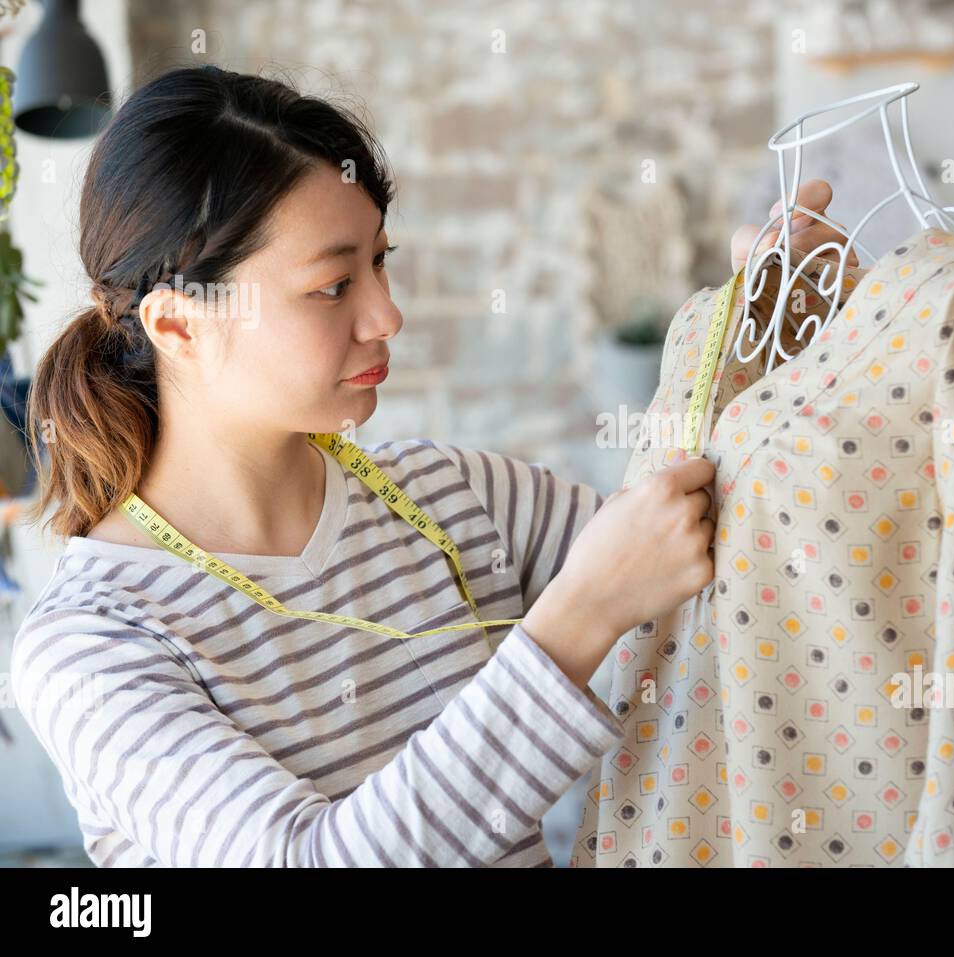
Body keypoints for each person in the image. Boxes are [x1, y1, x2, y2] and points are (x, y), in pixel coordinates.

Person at [11, 64, 854, 867]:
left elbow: (715, 555)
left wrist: (779, 336)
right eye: (333, 286)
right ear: (180, 324)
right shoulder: (92, 643)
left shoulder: (451, 495)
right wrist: (579, 615)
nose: (387, 314)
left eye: (380, 261)